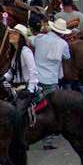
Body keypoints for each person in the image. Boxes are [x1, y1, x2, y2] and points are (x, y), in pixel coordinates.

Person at [33, 18, 73, 147]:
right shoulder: (62, 43)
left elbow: (30, 40)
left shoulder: (39, 39)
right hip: (51, 79)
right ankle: (48, 139)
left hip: (37, 78)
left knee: (35, 106)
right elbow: (67, 56)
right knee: (50, 108)